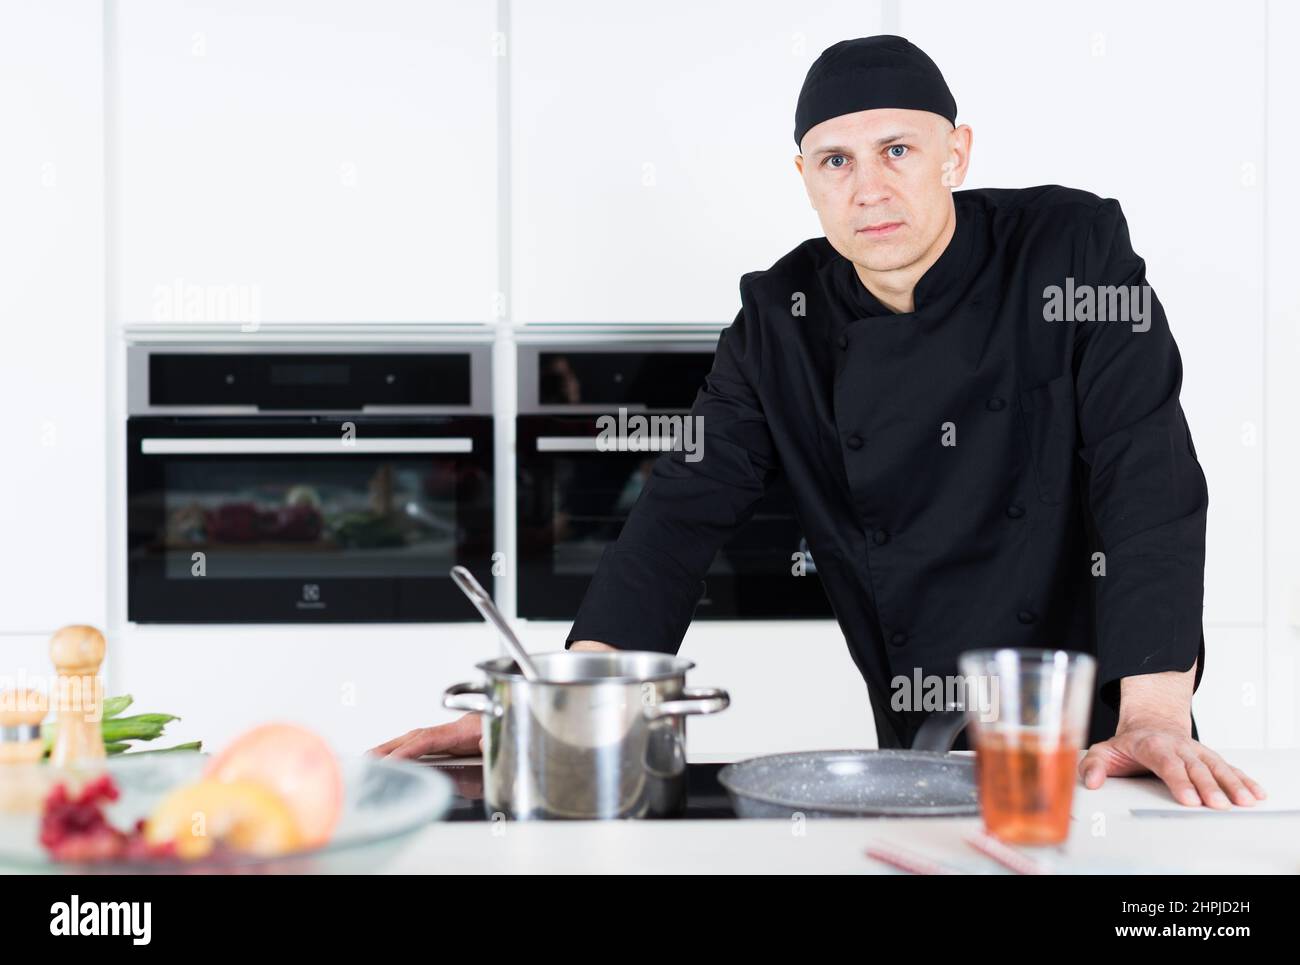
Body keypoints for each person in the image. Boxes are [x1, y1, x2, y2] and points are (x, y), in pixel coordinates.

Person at [372, 35, 1264, 810]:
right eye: (835, 160)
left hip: (1107, 744)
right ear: (803, 178)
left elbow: (1142, 469)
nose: (868, 187)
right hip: (923, 749)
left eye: (898, 150)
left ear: (956, 153)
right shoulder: (779, 321)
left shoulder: (1071, 248)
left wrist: (1153, 715)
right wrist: (556, 710)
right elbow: (679, 517)